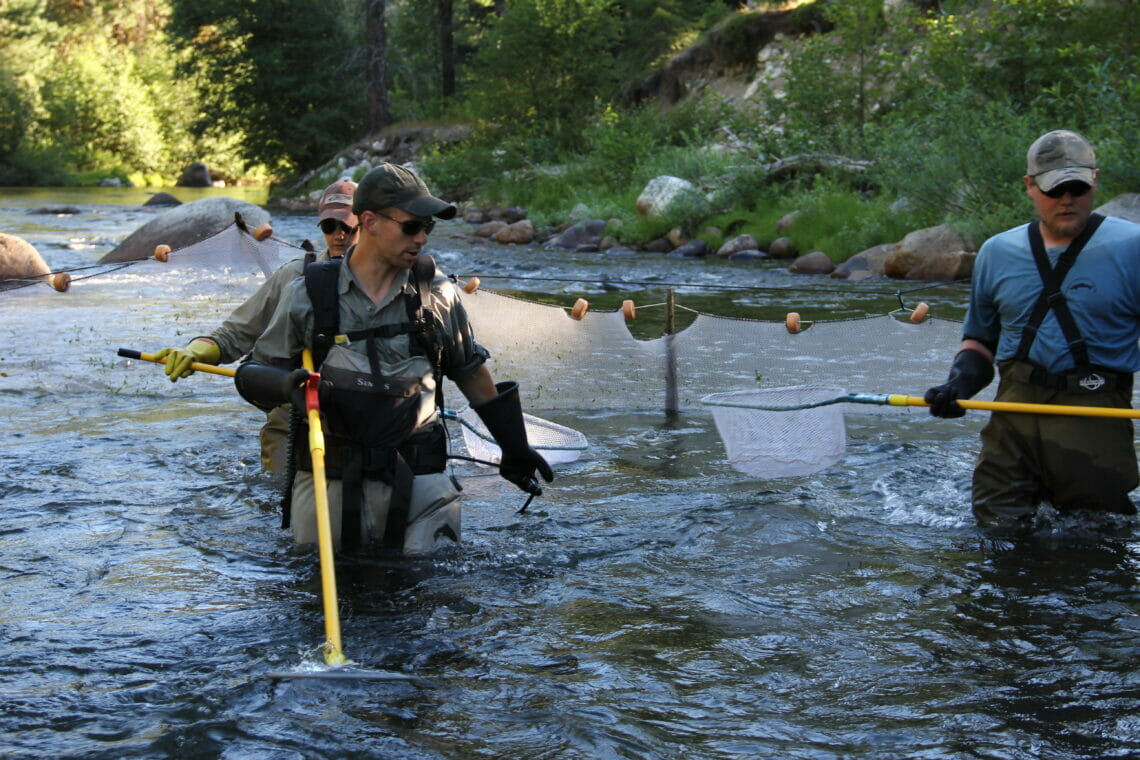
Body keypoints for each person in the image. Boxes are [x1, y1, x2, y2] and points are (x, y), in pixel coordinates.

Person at [233, 163, 553, 554]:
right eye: (411, 226)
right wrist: (286, 386)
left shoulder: (438, 296)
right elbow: (250, 373)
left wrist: (513, 447)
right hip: (329, 475)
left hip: (421, 474)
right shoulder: (308, 294)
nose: (421, 238)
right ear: (369, 221)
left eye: (428, 228)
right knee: (318, 586)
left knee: (425, 587)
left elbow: (470, 373)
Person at [924, 129, 1140, 533]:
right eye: (1054, 189)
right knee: (995, 536)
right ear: (1029, 187)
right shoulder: (997, 252)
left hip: (1096, 412)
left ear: (1094, 180)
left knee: (1096, 543)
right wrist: (959, 386)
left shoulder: (1133, 247)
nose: (1067, 199)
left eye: (1076, 187)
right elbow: (981, 341)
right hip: (1013, 416)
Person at [154, 179, 360, 473]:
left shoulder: (390, 280)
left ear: (368, 224)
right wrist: (195, 352)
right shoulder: (295, 274)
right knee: (277, 501)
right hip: (294, 415)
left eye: (347, 227)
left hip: (362, 414)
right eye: (329, 227)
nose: (339, 235)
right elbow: (234, 334)